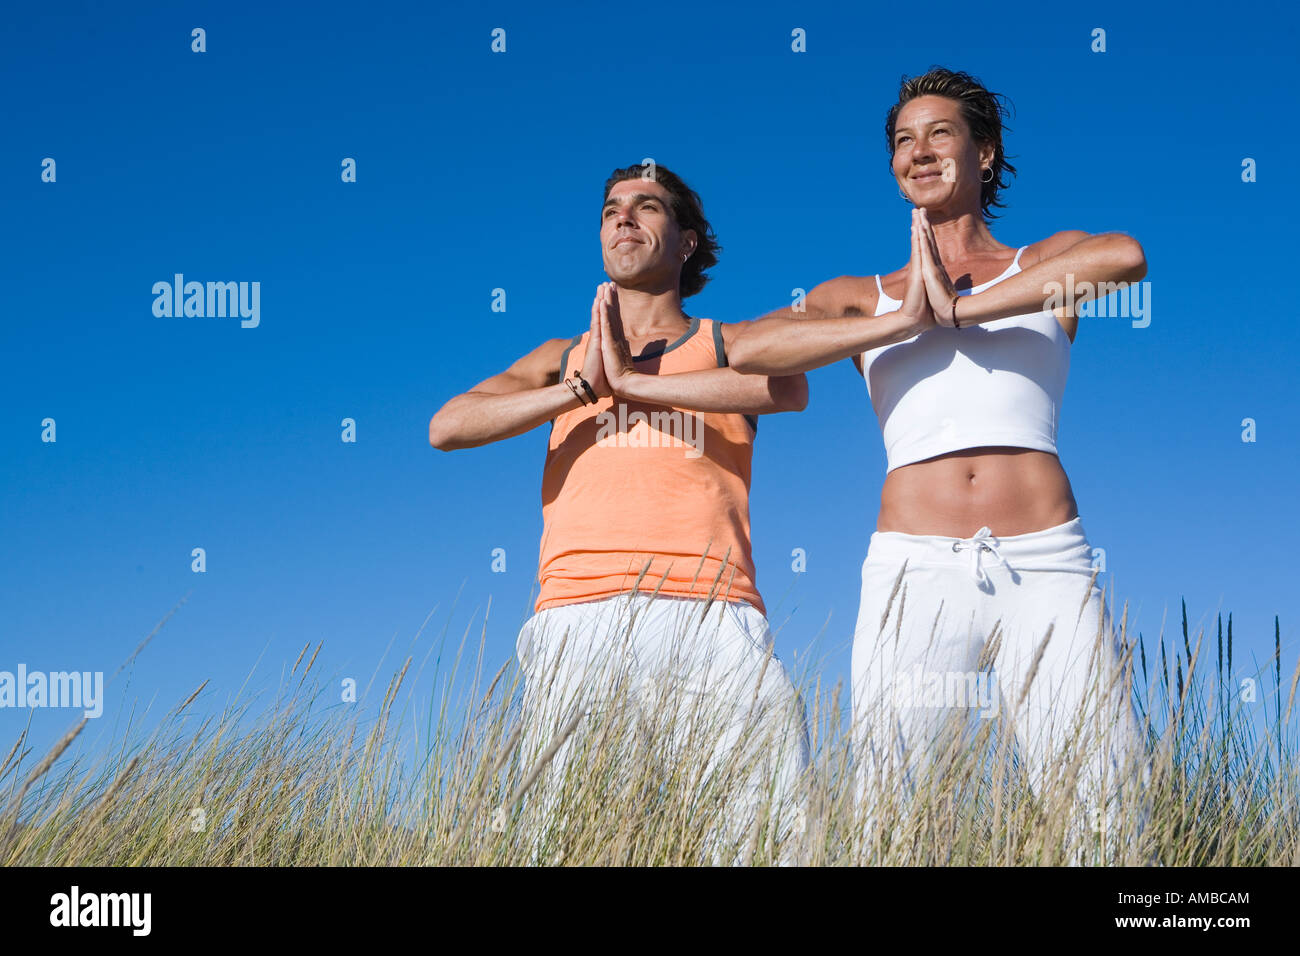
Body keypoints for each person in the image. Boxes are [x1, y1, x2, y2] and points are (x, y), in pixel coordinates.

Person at [724, 67, 1152, 861]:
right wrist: (903, 319)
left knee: (1107, 805)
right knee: (896, 815)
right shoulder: (863, 297)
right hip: (912, 577)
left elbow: (1125, 257)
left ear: (984, 154)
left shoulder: (1041, 262)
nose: (917, 151)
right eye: (901, 140)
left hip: (1048, 568)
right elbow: (750, 346)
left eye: (940, 133)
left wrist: (960, 310)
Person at [429, 163, 810, 864]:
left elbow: (789, 387)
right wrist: (581, 390)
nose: (623, 218)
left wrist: (637, 382)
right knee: (571, 842)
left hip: (712, 614)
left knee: (767, 836)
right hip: (579, 617)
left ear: (688, 242)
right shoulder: (560, 358)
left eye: (647, 207)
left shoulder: (724, 341)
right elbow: (448, 425)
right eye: (611, 210)